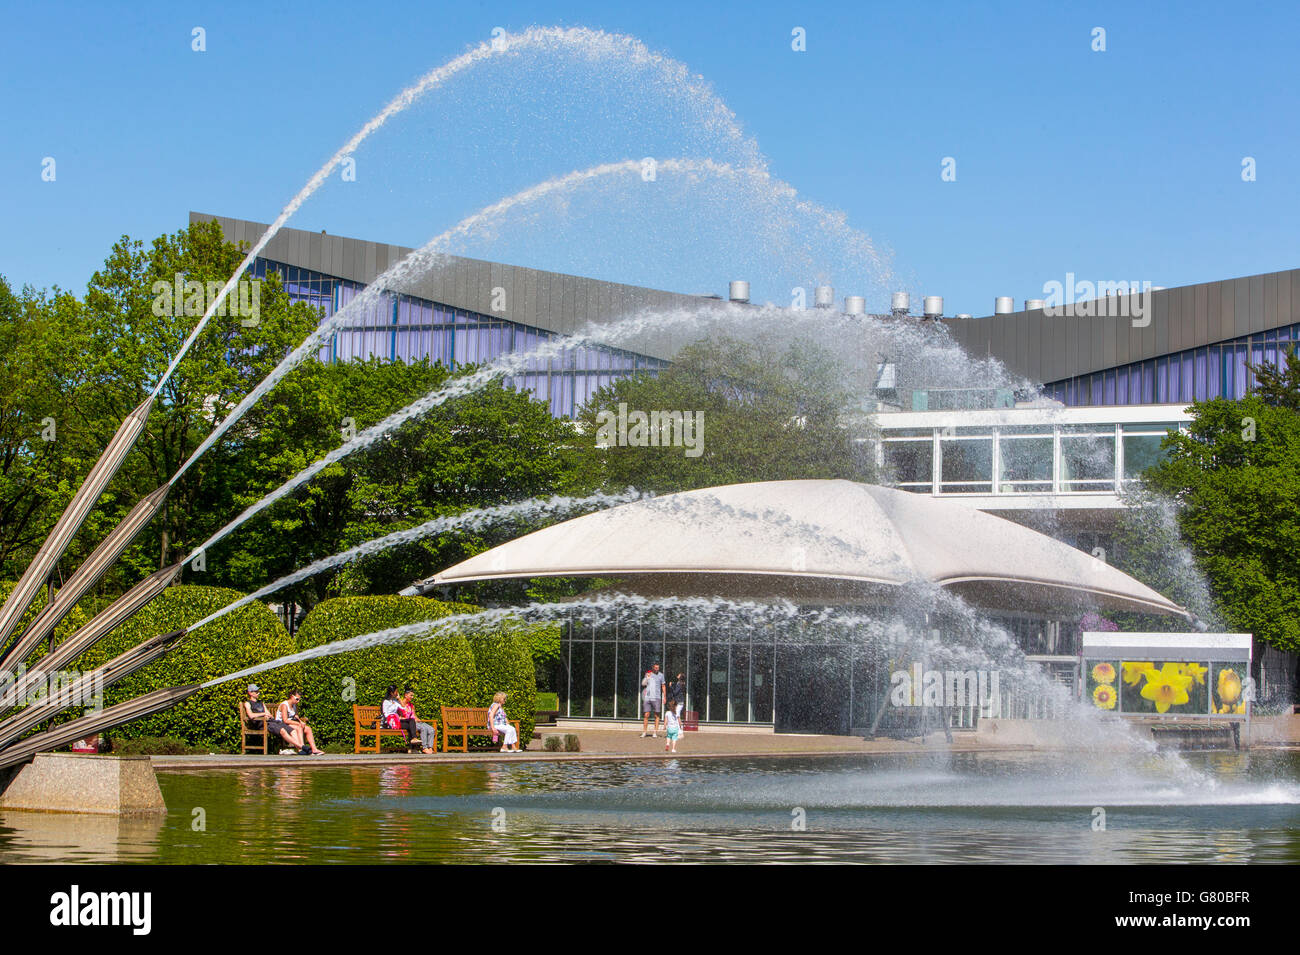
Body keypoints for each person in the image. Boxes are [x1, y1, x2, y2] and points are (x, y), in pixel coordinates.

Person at [243, 684, 302, 754]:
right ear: (250, 693)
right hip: (262, 724)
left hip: (271, 722)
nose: (258, 693)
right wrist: (263, 714)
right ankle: (301, 747)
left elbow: (269, 714)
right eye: (256, 692)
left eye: (258, 691)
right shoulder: (248, 703)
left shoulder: (261, 703)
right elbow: (251, 715)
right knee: (282, 730)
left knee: (292, 730)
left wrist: (268, 715)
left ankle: (300, 750)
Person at [277, 689, 324, 755]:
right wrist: (298, 723)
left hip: (290, 723)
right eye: (297, 699)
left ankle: (314, 749)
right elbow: (285, 720)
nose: (298, 701)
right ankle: (302, 748)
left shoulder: (294, 705)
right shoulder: (284, 705)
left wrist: (300, 722)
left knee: (308, 729)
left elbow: (296, 716)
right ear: (291, 696)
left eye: (299, 699)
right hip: (282, 724)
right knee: (299, 727)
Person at [402, 687, 438, 754]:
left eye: (413, 695)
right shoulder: (401, 705)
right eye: (411, 695)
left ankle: (430, 747)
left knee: (431, 729)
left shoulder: (411, 705)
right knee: (423, 728)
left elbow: (414, 715)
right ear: (405, 695)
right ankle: (424, 748)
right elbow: (400, 716)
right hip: (409, 723)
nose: (412, 697)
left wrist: (418, 719)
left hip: (416, 722)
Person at [640, 662, 665, 738]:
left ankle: (655, 732)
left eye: (658, 668)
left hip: (657, 697)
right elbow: (643, 684)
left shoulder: (661, 675)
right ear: (653, 668)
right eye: (656, 668)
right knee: (646, 715)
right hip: (648, 697)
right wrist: (647, 678)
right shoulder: (648, 674)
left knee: (656, 715)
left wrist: (664, 696)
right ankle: (644, 732)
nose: (657, 669)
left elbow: (663, 686)